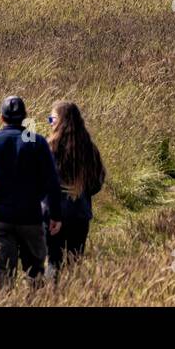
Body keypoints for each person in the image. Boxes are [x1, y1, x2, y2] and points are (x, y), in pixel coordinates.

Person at [0, 95, 63, 288]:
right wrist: (55, 214)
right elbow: (52, 181)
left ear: (1, 118)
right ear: (25, 117)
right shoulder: (37, 142)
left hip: (2, 217)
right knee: (35, 272)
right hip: (31, 217)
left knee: (4, 274)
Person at [43, 101, 106, 271]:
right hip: (79, 212)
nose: (50, 123)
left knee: (53, 261)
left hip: (51, 214)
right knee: (74, 263)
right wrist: (82, 194)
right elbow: (98, 180)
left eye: (52, 119)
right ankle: (71, 295)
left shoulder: (49, 148)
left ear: (62, 121)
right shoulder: (89, 148)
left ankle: (51, 296)